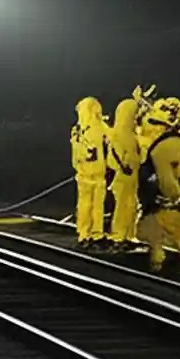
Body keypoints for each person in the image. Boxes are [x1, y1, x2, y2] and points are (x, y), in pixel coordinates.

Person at [139, 97, 180, 277]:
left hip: (175, 196)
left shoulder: (161, 148)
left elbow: (165, 178)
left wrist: (171, 199)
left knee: (163, 229)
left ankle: (179, 265)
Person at [71, 97, 108, 249]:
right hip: (97, 175)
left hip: (82, 175)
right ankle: (96, 234)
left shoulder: (77, 130)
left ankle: (83, 233)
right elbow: (112, 137)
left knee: (84, 205)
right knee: (97, 206)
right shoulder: (98, 127)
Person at [106, 98, 141, 251]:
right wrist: (124, 166)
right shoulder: (119, 134)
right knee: (122, 207)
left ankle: (129, 235)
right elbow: (115, 156)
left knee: (131, 207)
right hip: (123, 178)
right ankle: (119, 236)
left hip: (132, 178)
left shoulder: (132, 135)